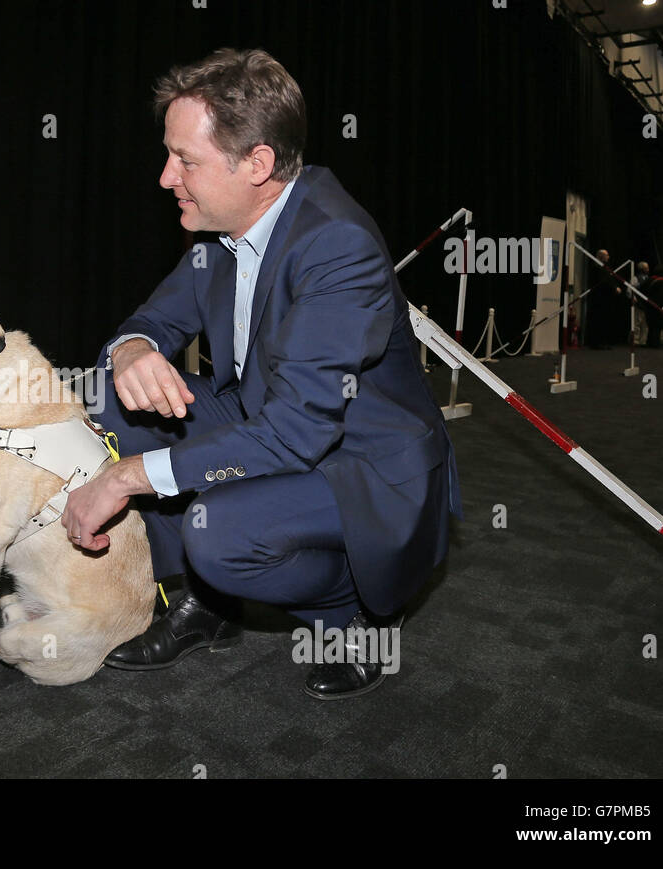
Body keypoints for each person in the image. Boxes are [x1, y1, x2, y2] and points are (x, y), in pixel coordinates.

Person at [61, 48, 461, 700]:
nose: (166, 177)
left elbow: (295, 433)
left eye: (185, 160)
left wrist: (123, 478)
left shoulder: (337, 246)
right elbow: (146, 323)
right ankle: (205, 605)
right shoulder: (221, 231)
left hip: (363, 465)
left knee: (216, 532)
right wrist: (134, 350)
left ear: (258, 164)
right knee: (111, 394)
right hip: (275, 424)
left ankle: (347, 619)